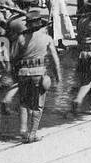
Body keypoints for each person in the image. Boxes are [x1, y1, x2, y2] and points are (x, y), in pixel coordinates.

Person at [12, 12, 60, 143]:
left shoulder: (21, 38)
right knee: (37, 105)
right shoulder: (47, 38)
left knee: (23, 103)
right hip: (38, 74)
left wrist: (13, 74)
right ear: (40, 25)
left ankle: (23, 130)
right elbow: (55, 59)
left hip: (23, 73)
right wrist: (58, 75)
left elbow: (14, 57)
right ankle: (32, 134)